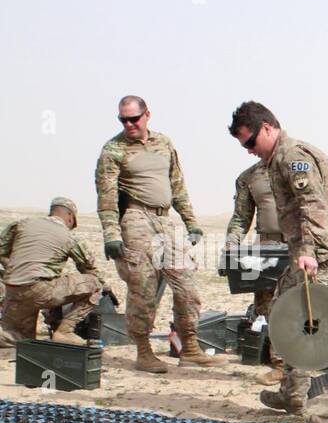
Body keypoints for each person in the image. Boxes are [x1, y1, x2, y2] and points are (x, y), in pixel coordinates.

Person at [227, 101, 328, 423]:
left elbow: (312, 206)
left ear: (267, 128)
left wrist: (307, 251)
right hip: (303, 253)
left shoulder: (293, 157)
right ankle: (292, 392)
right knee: (284, 316)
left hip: (323, 255)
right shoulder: (276, 159)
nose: (248, 151)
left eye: (250, 142)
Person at [94, 95, 213, 371]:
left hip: (165, 221)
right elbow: (107, 198)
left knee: (187, 286)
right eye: (122, 119)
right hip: (135, 219)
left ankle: (190, 347)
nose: (128, 124)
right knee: (142, 287)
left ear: (147, 115)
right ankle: (144, 352)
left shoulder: (164, 143)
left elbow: (178, 184)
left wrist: (190, 221)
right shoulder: (113, 149)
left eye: (133, 118)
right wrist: (111, 234)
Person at [0, 198, 104, 347]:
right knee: (94, 284)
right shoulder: (69, 236)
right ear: (69, 217)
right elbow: (90, 270)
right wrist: (105, 286)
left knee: (22, 339)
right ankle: (65, 332)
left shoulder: (22, 224)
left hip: (13, 291)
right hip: (40, 291)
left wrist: (14, 269)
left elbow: (1, 250)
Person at [225, 160, 285, 384]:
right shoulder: (249, 177)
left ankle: (302, 362)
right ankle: (280, 364)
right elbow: (241, 218)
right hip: (267, 249)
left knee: (303, 304)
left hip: (300, 246)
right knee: (270, 306)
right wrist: (231, 246)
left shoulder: (298, 167)